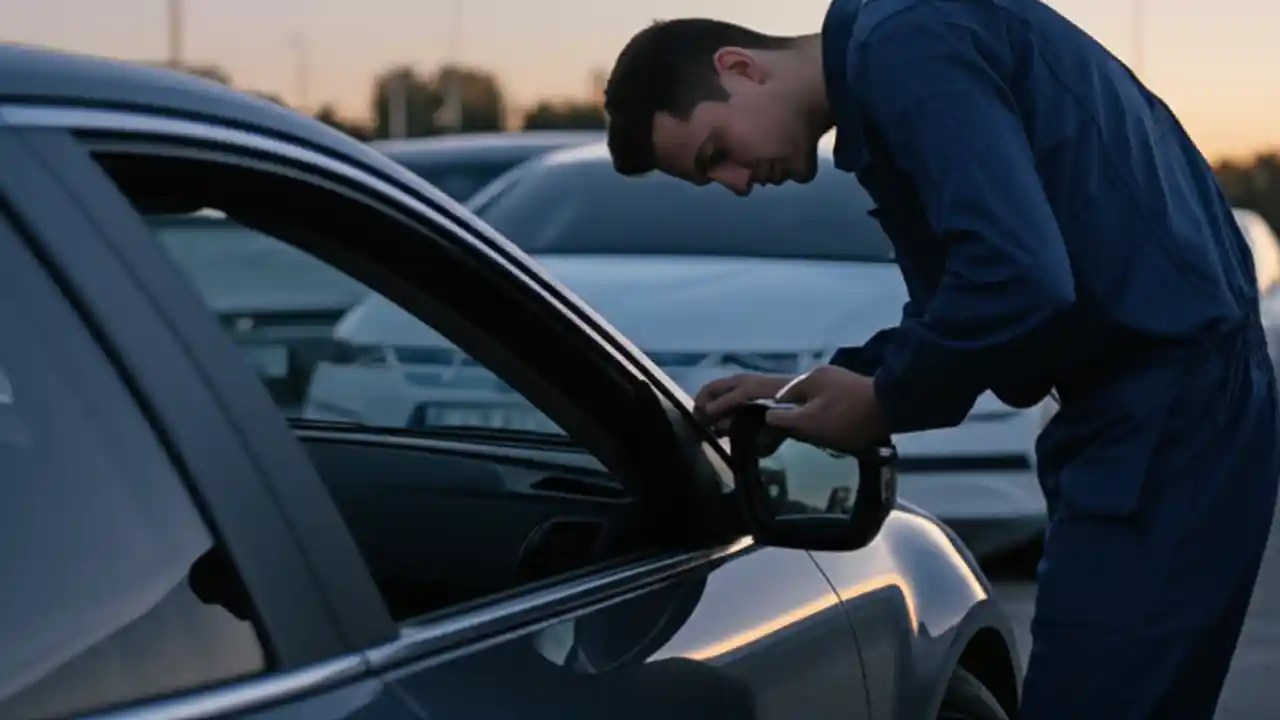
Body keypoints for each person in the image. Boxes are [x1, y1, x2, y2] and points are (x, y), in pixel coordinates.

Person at [600, 0, 1280, 718]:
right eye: (714, 178)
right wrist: (834, 385)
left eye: (717, 154)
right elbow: (972, 295)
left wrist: (886, 401)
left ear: (739, 67)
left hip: (1167, 410)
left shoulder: (905, 48)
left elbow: (1019, 277)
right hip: (1164, 402)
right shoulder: (898, 52)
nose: (736, 182)